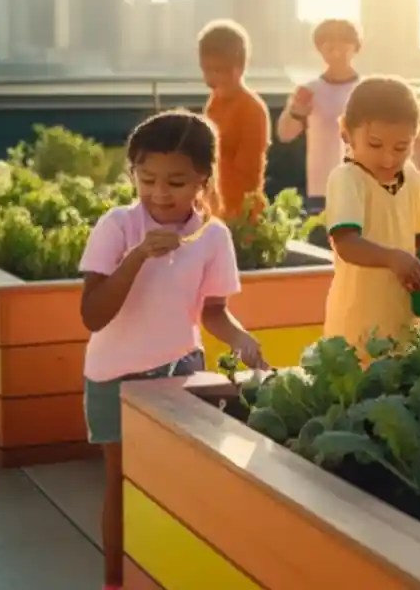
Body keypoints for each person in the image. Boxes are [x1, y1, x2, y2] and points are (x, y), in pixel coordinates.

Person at [78, 109, 266, 589]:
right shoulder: (117, 226)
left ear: (203, 179)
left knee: (181, 483)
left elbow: (213, 311)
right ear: (134, 174)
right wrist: (138, 257)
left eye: (177, 182)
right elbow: (94, 315)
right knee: (121, 484)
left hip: (183, 370)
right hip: (114, 376)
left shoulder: (213, 236)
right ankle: (115, 581)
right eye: (148, 179)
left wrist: (242, 339)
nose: (160, 193)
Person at [323, 76, 420, 351]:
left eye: (401, 148)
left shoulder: (413, 178)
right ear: (346, 132)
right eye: (375, 145)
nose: (388, 158)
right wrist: (391, 258)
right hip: (355, 330)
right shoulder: (347, 178)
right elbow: (347, 244)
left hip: (406, 327)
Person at [275, 19, 362, 213]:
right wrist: (297, 112)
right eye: (329, 44)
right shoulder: (309, 90)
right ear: (320, 49)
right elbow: (284, 134)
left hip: (359, 188)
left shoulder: (366, 90)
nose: (336, 50)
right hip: (320, 189)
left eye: (343, 42)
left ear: (355, 47)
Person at [198, 19, 270, 219]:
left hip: (240, 219)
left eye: (216, 70)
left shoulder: (252, 110)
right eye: (205, 69)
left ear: (238, 69)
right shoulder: (213, 104)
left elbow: (248, 176)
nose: (209, 79)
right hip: (212, 213)